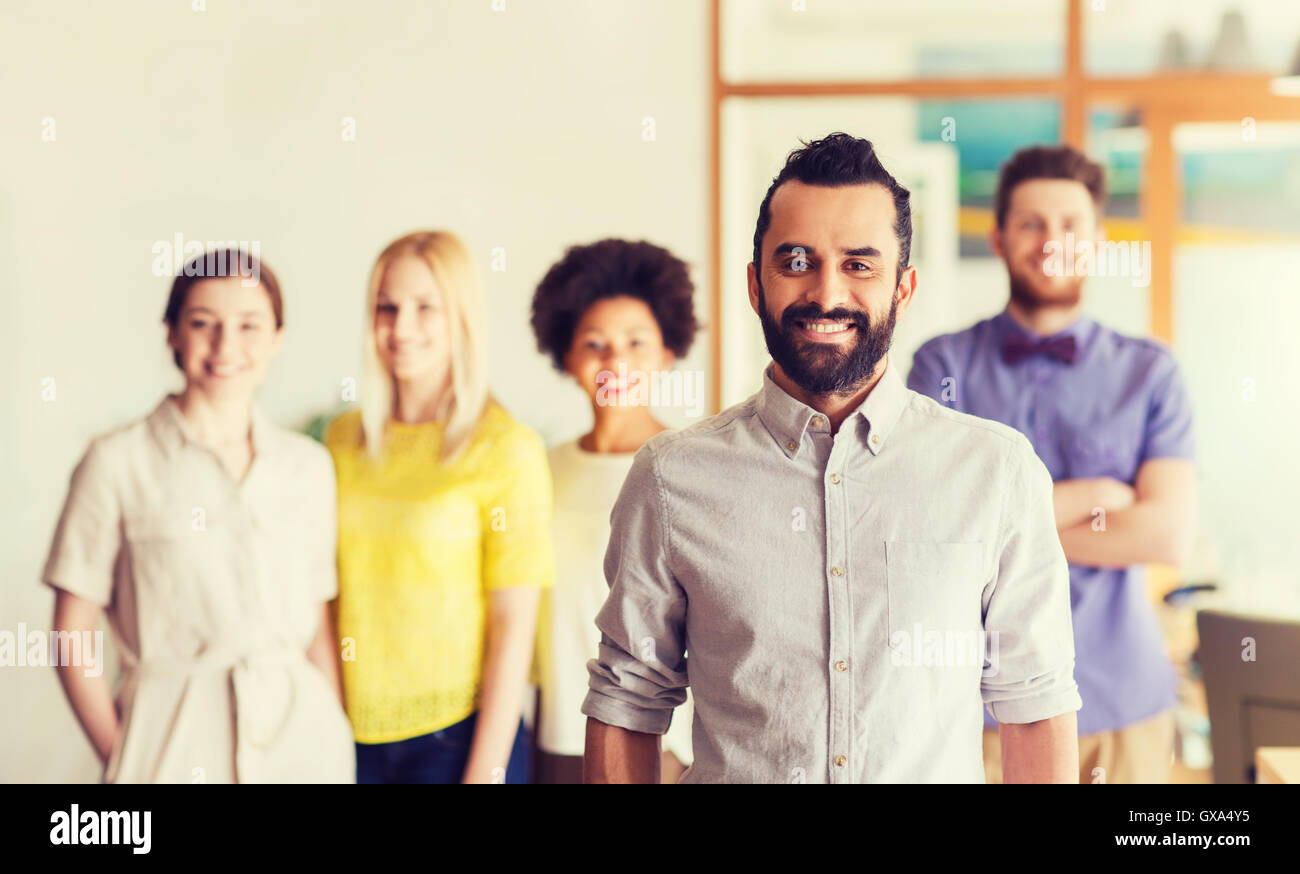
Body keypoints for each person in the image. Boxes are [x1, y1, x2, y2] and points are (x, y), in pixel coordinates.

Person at [581, 132, 1081, 783]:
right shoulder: (671, 479)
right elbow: (626, 701)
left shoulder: (997, 472)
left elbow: (1034, 701)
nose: (826, 293)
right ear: (755, 285)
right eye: (795, 261)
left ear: (903, 289)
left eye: (859, 264)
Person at [907, 145, 1197, 784]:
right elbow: (929, 534)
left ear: (1096, 239)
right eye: (1032, 223)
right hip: (978, 709)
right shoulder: (941, 367)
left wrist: (1002, 538)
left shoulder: (1152, 372)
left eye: (1070, 224)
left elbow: (1166, 533)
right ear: (999, 238)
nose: (1051, 240)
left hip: (1124, 705)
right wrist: (1093, 496)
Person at [44, 248, 354, 783]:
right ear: (171, 333)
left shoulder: (308, 466)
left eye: (249, 325)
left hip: (300, 747)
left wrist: (336, 738)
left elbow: (316, 627)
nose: (225, 346)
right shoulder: (116, 462)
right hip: (168, 745)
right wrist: (123, 755)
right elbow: (72, 633)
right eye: (203, 323)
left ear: (277, 337)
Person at [324, 230, 554, 784]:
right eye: (387, 307)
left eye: (426, 308)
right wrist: (327, 733)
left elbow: (513, 626)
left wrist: (485, 773)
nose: (401, 328)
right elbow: (321, 598)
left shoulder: (505, 449)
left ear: (460, 318)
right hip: (346, 739)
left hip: (457, 742)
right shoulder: (340, 440)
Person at [529, 238, 700, 784]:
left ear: (668, 352)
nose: (615, 362)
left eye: (636, 343)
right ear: (567, 356)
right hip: (550, 738)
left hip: (658, 744)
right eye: (595, 344)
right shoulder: (537, 468)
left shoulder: (693, 467)